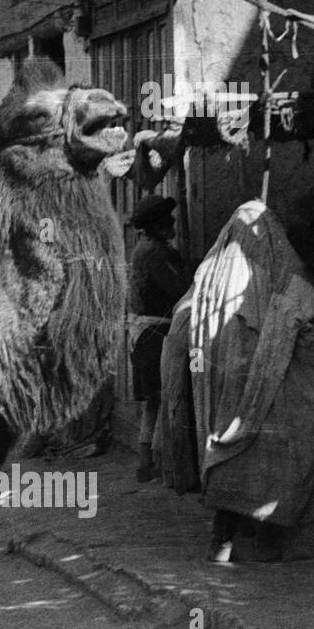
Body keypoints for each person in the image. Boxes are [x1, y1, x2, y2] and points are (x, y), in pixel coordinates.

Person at [127, 195, 193, 482]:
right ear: (156, 225)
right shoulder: (155, 254)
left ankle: (146, 461)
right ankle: (162, 461)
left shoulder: (147, 249)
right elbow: (177, 288)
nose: (173, 224)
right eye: (167, 221)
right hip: (157, 332)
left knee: (154, 400)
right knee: (167, 396)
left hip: (145, 333)